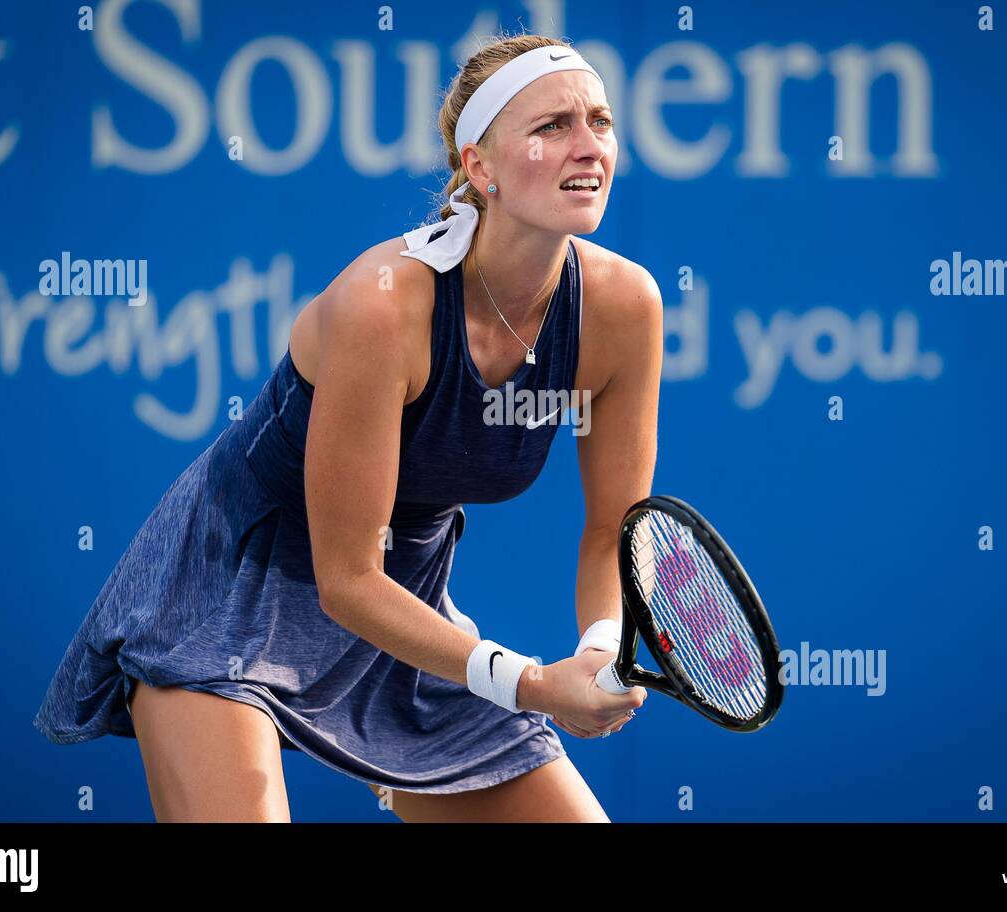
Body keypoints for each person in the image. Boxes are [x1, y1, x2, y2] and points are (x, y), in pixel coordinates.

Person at [33, 32, 663, 823]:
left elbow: (613, 529)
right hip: (232, 593)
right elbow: (346, 579)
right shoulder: (383, 304)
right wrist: (532, 682)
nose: (588, 146)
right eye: (552, 126)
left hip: (403, 606)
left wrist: (600, 647)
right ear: (481, 167)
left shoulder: (625, 307)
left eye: (600, 122)